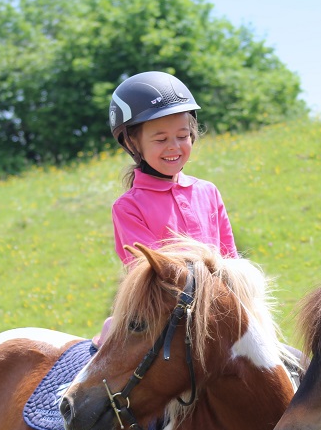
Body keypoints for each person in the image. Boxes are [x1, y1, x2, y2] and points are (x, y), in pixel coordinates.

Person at [92, 70, 239, 348]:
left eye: (183, 136)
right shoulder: (128, 207)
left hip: (221, 309)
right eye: (160, 140)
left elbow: (230, 258)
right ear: (132, 142)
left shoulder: (208, 191)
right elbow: (151, 273)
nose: (174, 147)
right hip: (166, 317)